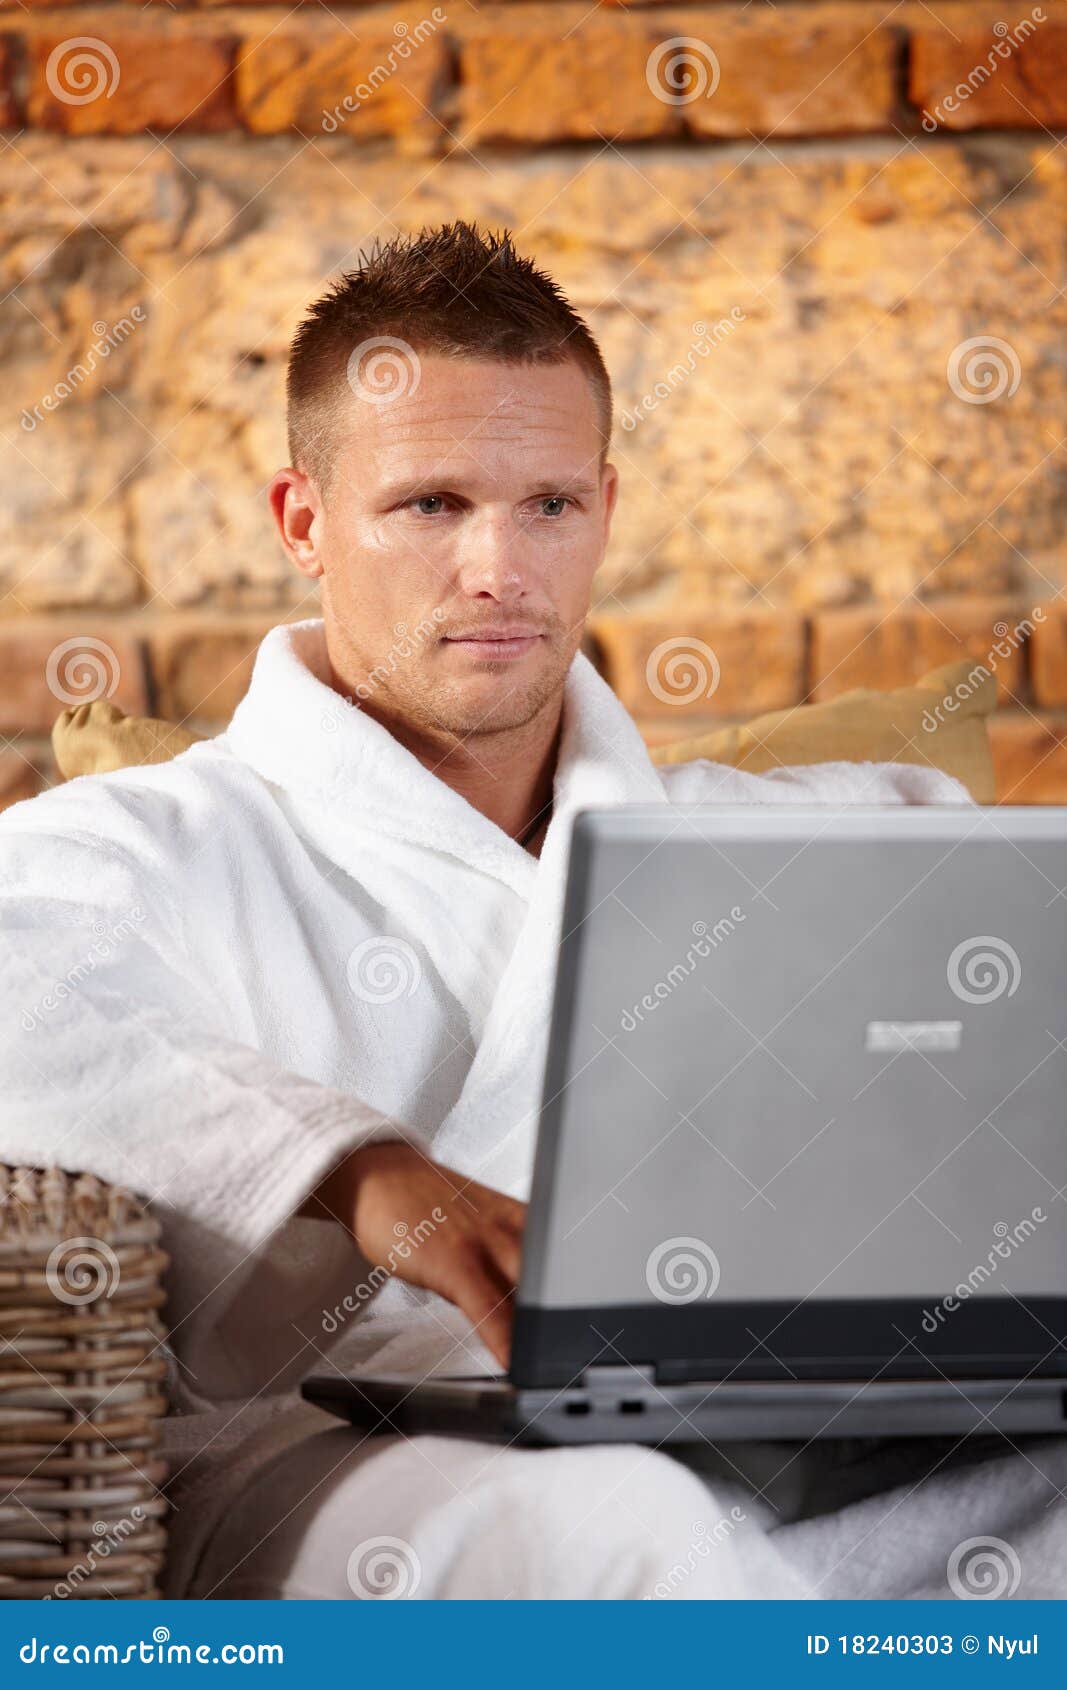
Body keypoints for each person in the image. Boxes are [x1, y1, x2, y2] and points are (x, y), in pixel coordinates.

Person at [3, 222, 1010, 1602]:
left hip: (782, 1435)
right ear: (302, 520)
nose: (499, 569)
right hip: (333, 1459)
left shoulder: (789, 836)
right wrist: (369, 1173)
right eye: (430, 506)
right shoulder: (159, 844)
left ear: (604, 507)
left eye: (548, 505)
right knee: (609, 1523)